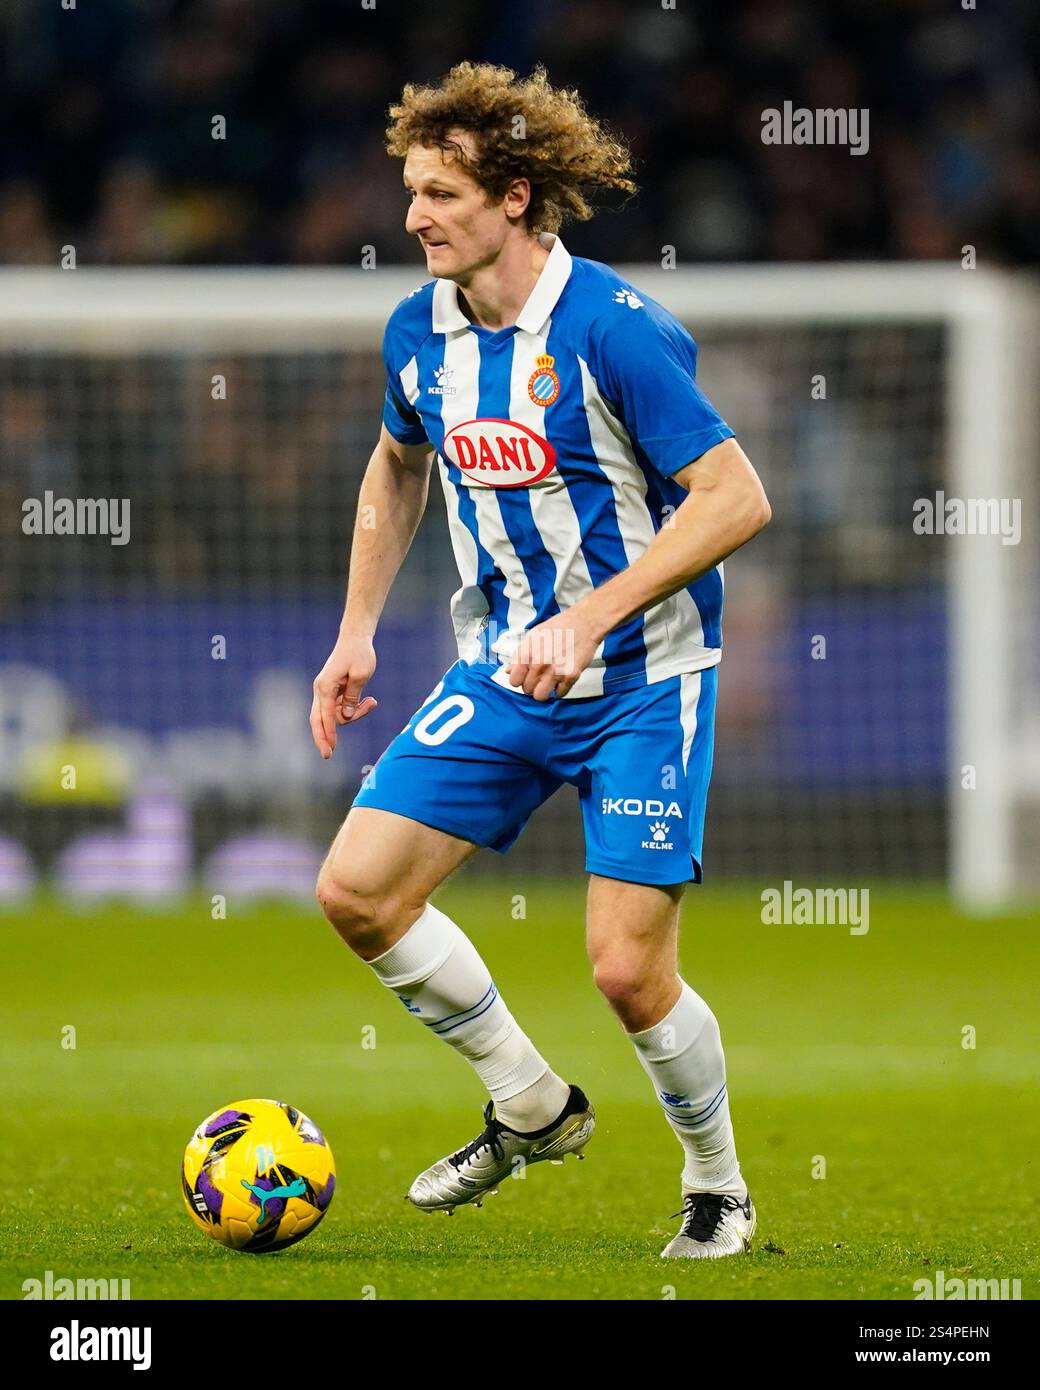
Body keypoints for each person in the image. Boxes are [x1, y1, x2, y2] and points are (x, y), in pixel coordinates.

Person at [312, 62, 771, 1259]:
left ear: (514, 198)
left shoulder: (611, 328)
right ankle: (531, 1104)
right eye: (409, 190)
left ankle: (716, 1186)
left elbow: (732, 499)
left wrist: (593, 616)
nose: (412, 216)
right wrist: (355, 626)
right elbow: (397, 459)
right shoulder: (418, 328)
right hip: (504, 673)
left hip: (641, 683)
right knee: (356, 891)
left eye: (439, 194)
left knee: (625, 972)